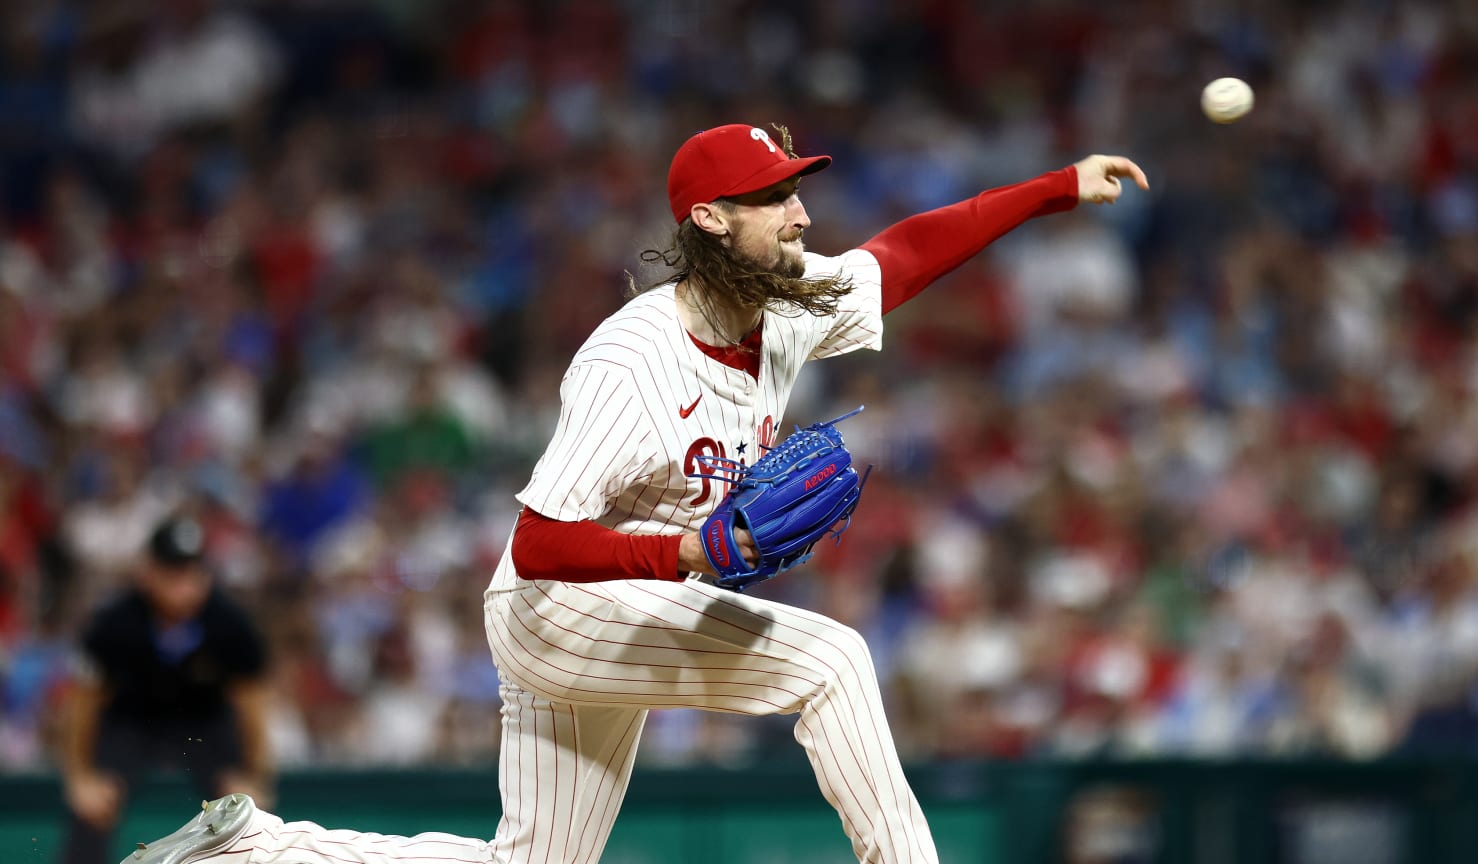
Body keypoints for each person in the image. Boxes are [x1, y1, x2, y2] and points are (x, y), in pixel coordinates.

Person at [123, 123, 1146, 864]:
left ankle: (253, 850)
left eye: (797, 191)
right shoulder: (633, 360)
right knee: (830, 660)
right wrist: (687, 557)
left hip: (628, 603)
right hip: (556, 605)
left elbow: (902, 255)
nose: (800, 214)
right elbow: (539, 541)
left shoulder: (781, 305)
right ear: (711, 217)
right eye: (774, 198)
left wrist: (1056, 187)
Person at [61, 515, 271, 864]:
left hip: (205, 726)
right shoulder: (115, 624)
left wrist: (254, 775)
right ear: (149, 572)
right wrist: (80, 776)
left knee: (243, 808)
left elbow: (252, 703)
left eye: (192, 573)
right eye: (172, 574)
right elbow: (83, 702)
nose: (183, 586)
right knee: (95, 802)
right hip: (133, 723)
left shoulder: (229, 623)